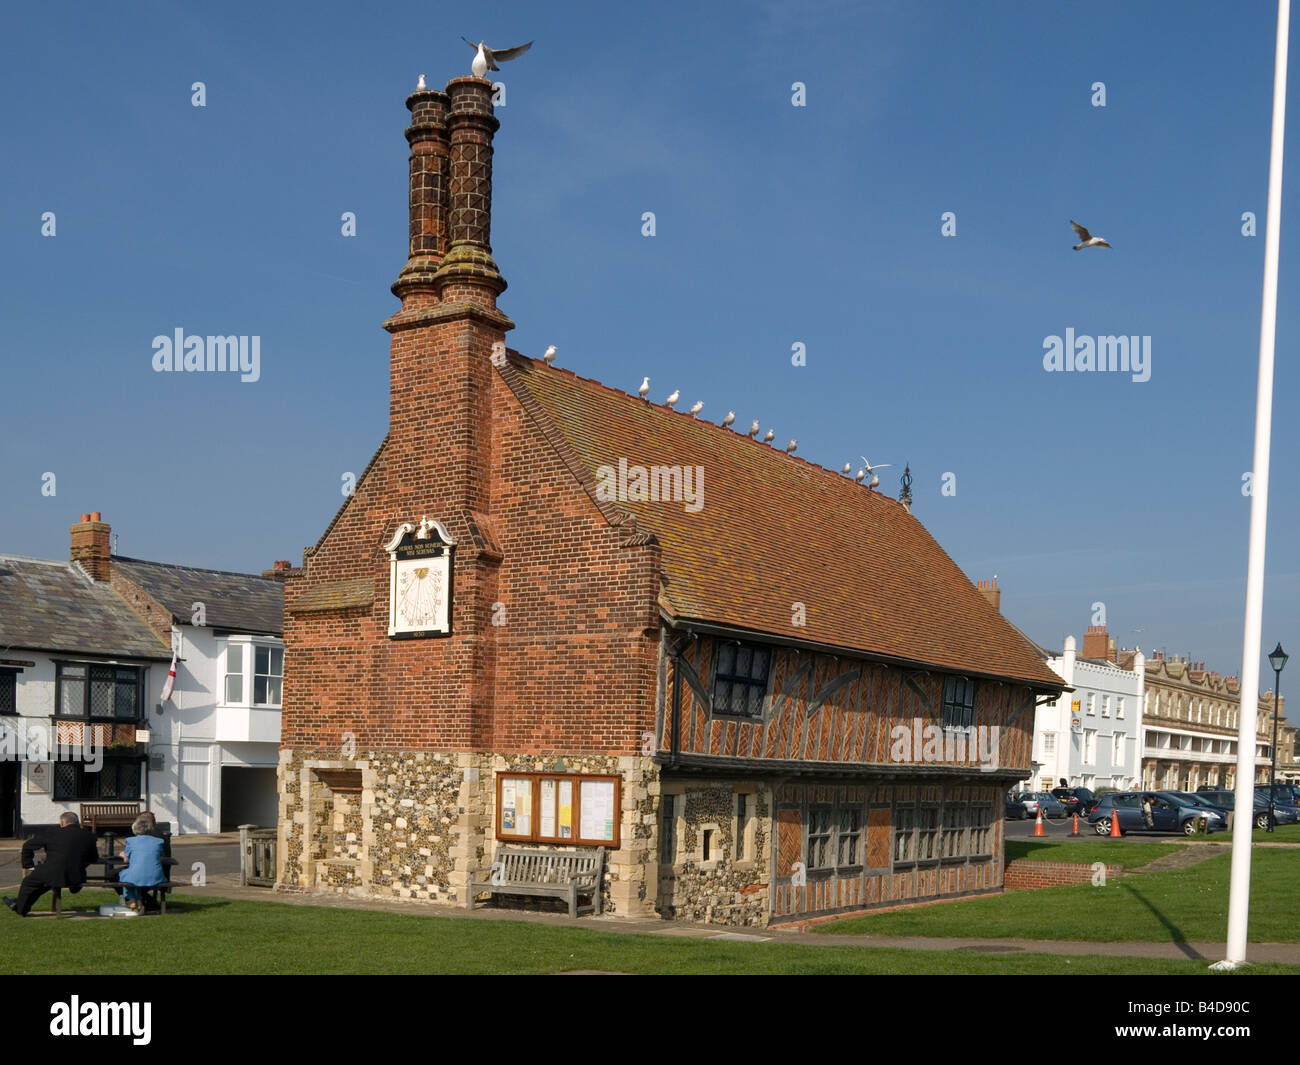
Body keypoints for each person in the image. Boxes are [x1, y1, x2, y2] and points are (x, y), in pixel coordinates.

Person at [3, 812, 101, 917]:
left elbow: (28, 845)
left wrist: (28, 865)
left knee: (29, 883)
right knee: (44, 885)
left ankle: (20, 908)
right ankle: (18, 904)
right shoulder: (89, 836)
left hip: (51, 872)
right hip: (76, 876)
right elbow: (93, 858)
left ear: (62, 823)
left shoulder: (53, 832)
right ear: (77, 823)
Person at [116, 815, 166, 913]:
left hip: (135, 875)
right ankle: (138, 899)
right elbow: (159, 856)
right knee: (134, 876)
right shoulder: (159, 841)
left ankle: (131, 898)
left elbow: (126, 860)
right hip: (156, 876)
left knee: (124, 876)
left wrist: (122, 854)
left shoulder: (130, 840)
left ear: (134, 828)